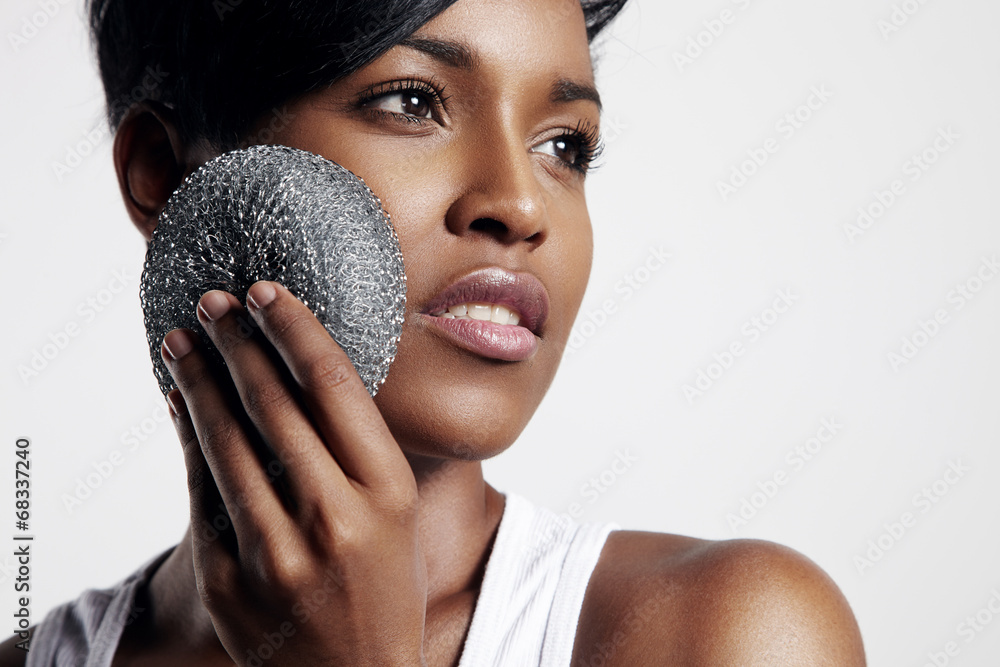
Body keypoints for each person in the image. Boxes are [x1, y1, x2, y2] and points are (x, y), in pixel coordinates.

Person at [2, 0, 866, 664]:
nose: (522, 204)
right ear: (167, 172)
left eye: (565, 145)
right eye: (413, 101)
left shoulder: (725, 633)